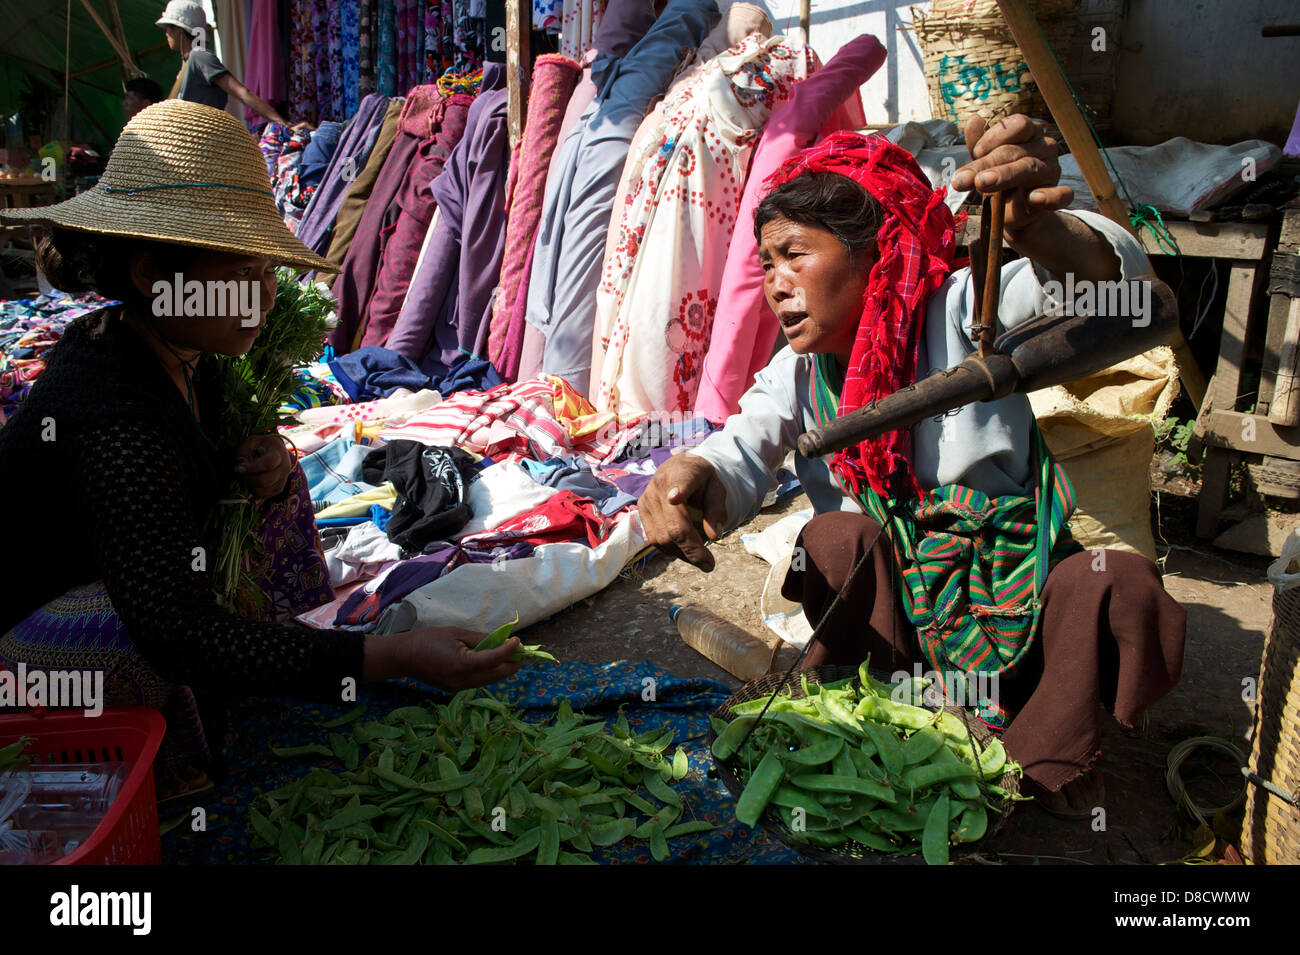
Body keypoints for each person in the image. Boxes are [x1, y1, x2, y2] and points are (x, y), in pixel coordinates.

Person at [637, 117, 1187, 817]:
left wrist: (1043, 237)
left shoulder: (966, 311)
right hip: (904, 638)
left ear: (874, 251)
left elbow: (1116, 292)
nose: (775, 284)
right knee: (833, 539)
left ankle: (1045, 755)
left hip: (1021, 615)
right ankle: (884, 715)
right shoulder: (801, 374)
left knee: (1117, 581)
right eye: (766, 263)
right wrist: (693, 475)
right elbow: (739, 448)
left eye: (794, 255)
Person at [0, 101, 520, 804]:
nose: (270, 292)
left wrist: (268, 479)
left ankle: (243, 682)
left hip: (111, 581)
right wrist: (387, 656)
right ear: (156, 272)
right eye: (249, 267)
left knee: (280, 486)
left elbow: (199, 487)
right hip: (20, 651)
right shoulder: (112, 405)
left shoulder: (180, 355)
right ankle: (153, 762)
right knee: (140, 643)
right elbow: (175, 630)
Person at [156, 0, 298, 127]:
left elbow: (241, 92)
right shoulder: (187, 63)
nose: (166, 34)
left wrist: (283, 124)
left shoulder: (199, 57)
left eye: (168, 28)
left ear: (179, 30)